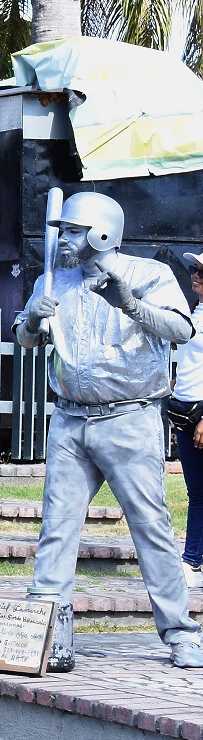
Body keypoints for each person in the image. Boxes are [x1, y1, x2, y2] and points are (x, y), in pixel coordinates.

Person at [16, 193, 202, 670]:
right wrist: (33, 318)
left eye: (74, 230)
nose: (64, 239)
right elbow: (26, 335)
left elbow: (181, 331)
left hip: (130, 418)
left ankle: (181, 633)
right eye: (64, 230)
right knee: (57, 528)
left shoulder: (148, 275)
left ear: (102, 231)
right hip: (70, 418)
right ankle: (44, 631)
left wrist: (129, 302)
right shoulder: (52, 277)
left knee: (151, 527)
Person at [174, 254, 203, 592]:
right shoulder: (193, 310)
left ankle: (191, 559)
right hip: (183, 408)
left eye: (201, 271)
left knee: (199, 494)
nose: (195, 274)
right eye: (194, 270)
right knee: (196, 490)